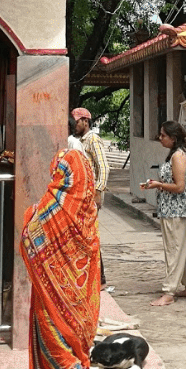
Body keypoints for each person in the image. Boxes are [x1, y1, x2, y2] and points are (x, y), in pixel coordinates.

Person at [21, 144, 100, 369]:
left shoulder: (51, 208)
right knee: (73, 343)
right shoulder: (89, 210)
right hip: (80, 302)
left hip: (52, 299)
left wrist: (30, 213)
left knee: (56, 343)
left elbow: (28, 236)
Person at [142, 120, 186, 307]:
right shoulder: (176, 155)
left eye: (163, 135)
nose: (160, 138)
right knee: (182, 248)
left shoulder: (178, 156)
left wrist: (159, 185)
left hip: (176, 209)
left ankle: (169, 291)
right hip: (174, 209)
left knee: (173, 249)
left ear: (173, 138)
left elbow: (179, 186)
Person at [71, 107, 108, 286]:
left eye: (77, 121)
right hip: (82, 195)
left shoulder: (93, 139)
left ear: (85, 121)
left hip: (91, 195)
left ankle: (99, 278)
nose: (75, 125)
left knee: (90, 235)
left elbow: (103, 167)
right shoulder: (79, 141)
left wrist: (98, 191)